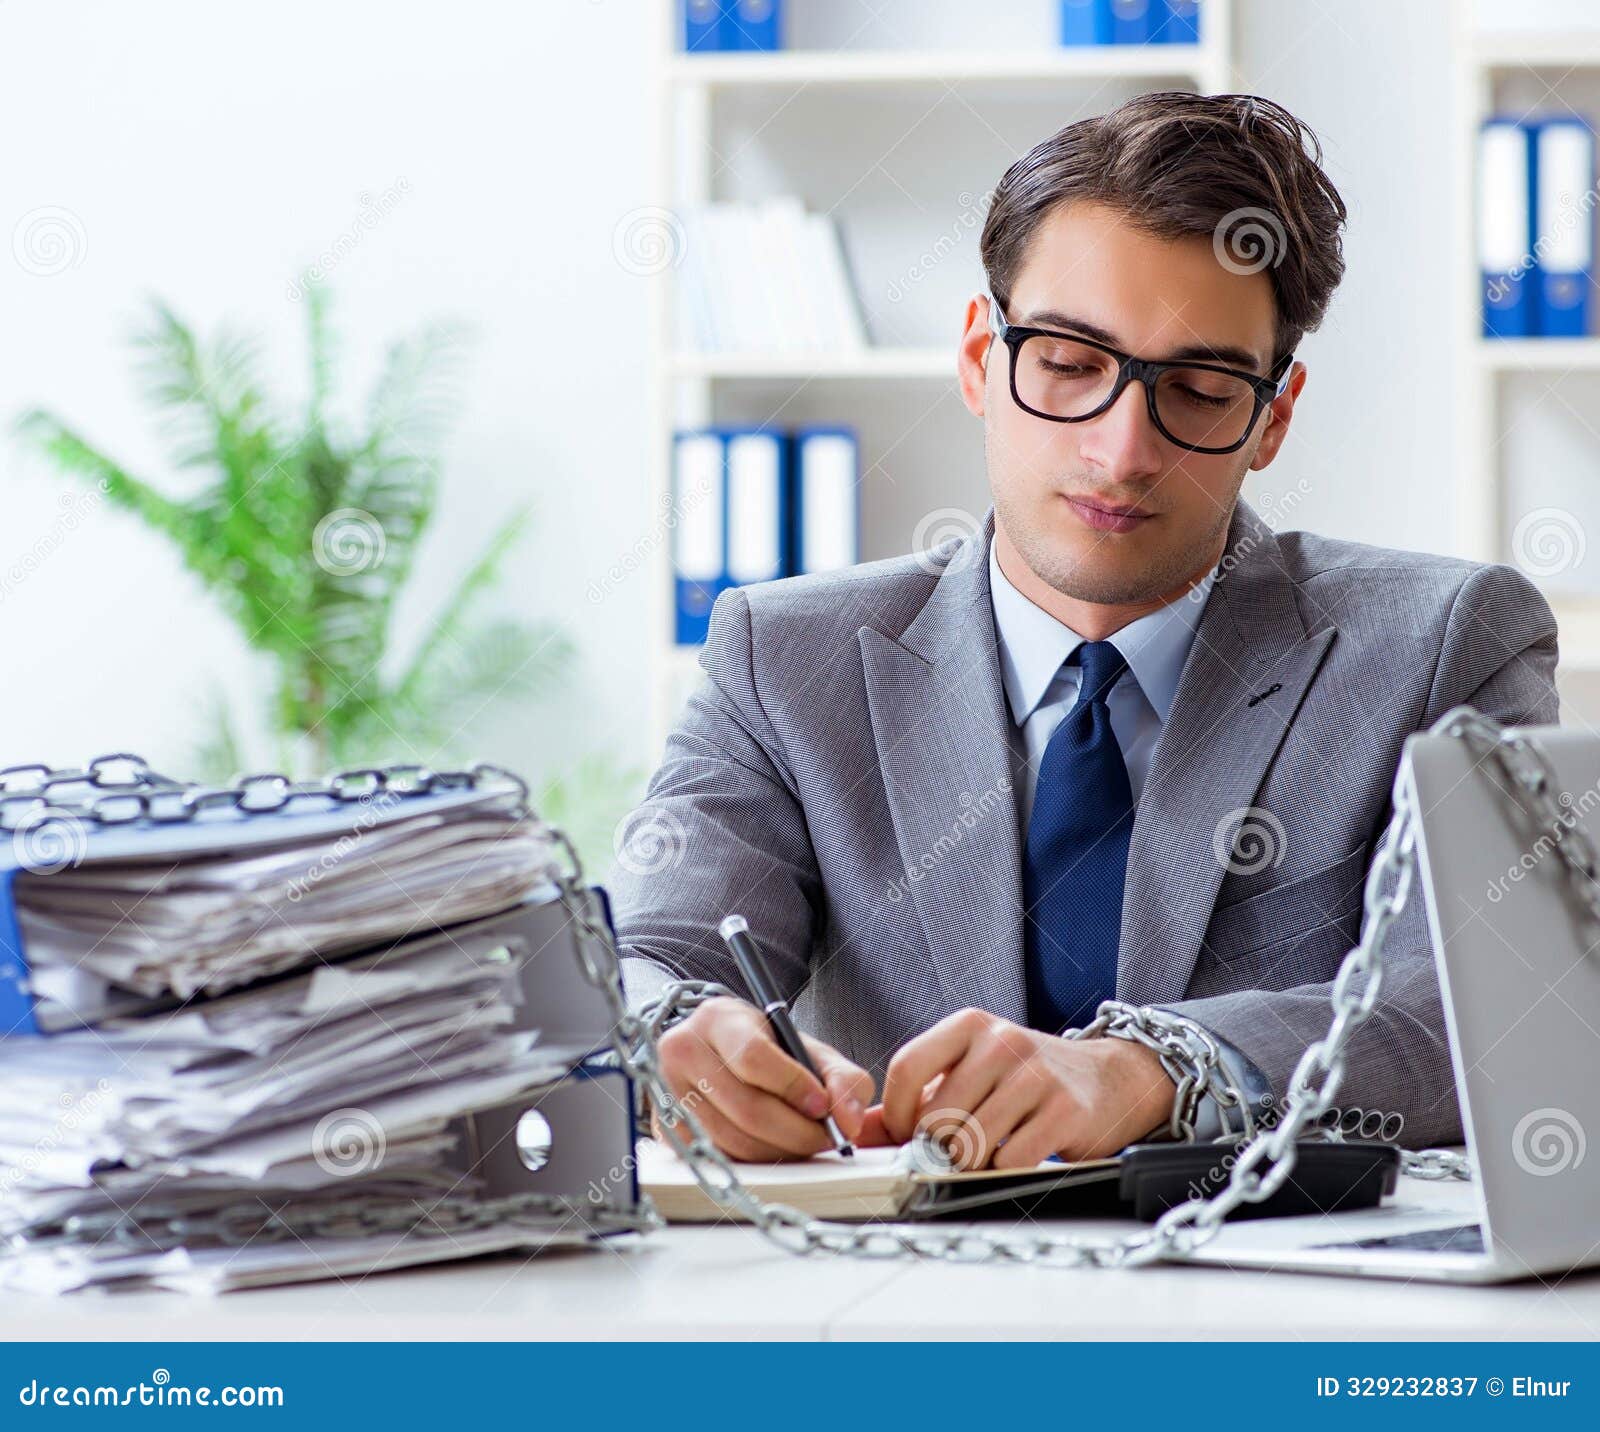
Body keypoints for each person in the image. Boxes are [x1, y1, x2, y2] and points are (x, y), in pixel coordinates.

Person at [608, 91, 1559, 1169]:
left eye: (1199, 390)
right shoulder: (780, 657)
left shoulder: (1444, 643)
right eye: (1067, 364)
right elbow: (645, 955)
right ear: (979, 359)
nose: (1120, 451)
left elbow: (1495, 1010)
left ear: (1273, 418)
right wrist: (673, 1038)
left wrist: (1150, 1073)